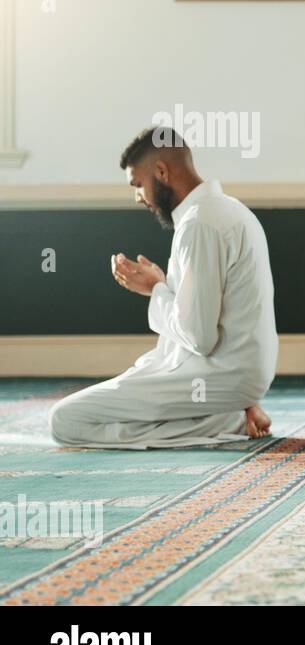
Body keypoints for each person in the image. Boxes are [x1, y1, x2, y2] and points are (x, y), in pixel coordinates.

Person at [48, 127, 277, 448]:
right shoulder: (226, 210)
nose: (138, 197)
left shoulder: (200, 223)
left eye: (138, 185)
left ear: (161, 171)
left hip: (220, 376)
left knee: (66, 420)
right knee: (140, 372)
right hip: (237, 373)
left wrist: (156, 290)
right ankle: (226, 411)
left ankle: (225, 420)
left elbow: (199, 337)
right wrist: (163, 285)